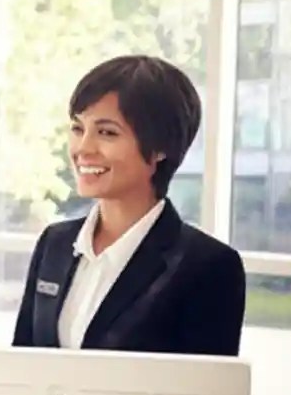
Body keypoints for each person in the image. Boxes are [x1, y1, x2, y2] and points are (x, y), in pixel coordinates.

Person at [13, 55, 246, 356]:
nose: (83, 148)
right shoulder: (54, 243)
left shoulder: (209, 267)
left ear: (161, 147)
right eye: (78, 128)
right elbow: (22, 367)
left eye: (107, 132)